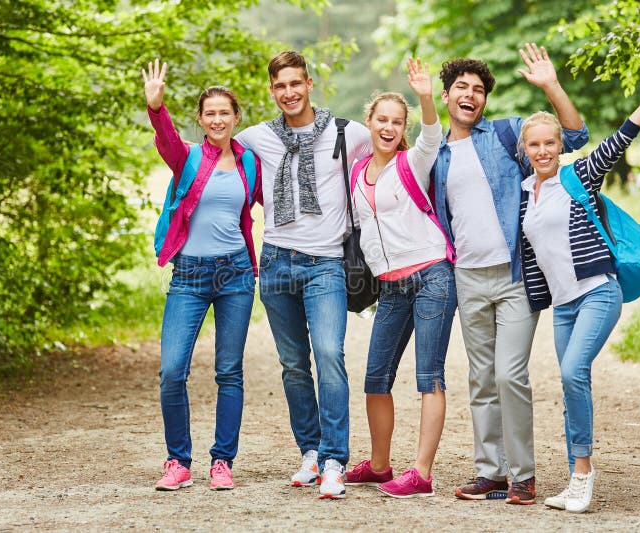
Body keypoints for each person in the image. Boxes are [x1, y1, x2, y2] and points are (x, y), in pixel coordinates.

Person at [518, 57, 640, 513]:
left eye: (550, 142)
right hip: (563, 306)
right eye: (535, 145)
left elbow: (622, 136)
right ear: (525, 150)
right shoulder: (522, 195)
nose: (544, 151)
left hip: (598, 291)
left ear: (558, 145)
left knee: (573, 372)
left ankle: (584, 475)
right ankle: (576, 475)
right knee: (573, 383)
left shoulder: (577, 178)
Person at [431, 44, 590, 505]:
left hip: (515, 275)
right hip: (467, 276)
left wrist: (551, 86)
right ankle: (491, 472)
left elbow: (574, 137)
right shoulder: (435, 151)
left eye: (478, 90)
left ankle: (523, 474)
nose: (470, 94)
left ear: (484, 102)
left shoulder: (505, 134)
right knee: (480, 378)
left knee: (508, 375)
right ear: (446, 96)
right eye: (462, 87)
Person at [234, 51, 372, 499]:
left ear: (309, 83)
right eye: (280, 86)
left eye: (296, 83)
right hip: (275, 262)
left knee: (329, 354)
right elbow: (213, 154)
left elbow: (396, 155)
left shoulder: (347, 133)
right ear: (272, 91)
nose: (289, 93)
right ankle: (310, 452)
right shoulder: (256, 137)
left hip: (325, 264)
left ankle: (335, 459)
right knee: (294, 365)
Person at [142, 59, 262, 492]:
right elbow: (166, 140)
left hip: (235, 275)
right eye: (209, 113)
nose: (216, 119)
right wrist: (157, 108)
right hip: (189, 276)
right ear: (200, 118)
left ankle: (222, 462)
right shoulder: (188, 158)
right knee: (172, 371)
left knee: (229, 371)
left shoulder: (250, 163)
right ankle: (178, 461)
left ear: (235, 118)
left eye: (224, 113)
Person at [343, 59, 458, 498]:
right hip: (390, 288)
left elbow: (432, 134)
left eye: (397, 121)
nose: (389, 127)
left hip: (431, 276)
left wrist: (426, 95)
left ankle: (422, 474)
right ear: (369, 123)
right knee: (376, 378)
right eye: (381, 120)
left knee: (429, 376)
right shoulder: (357, 173)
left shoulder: (415, 161)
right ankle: (378, 465)